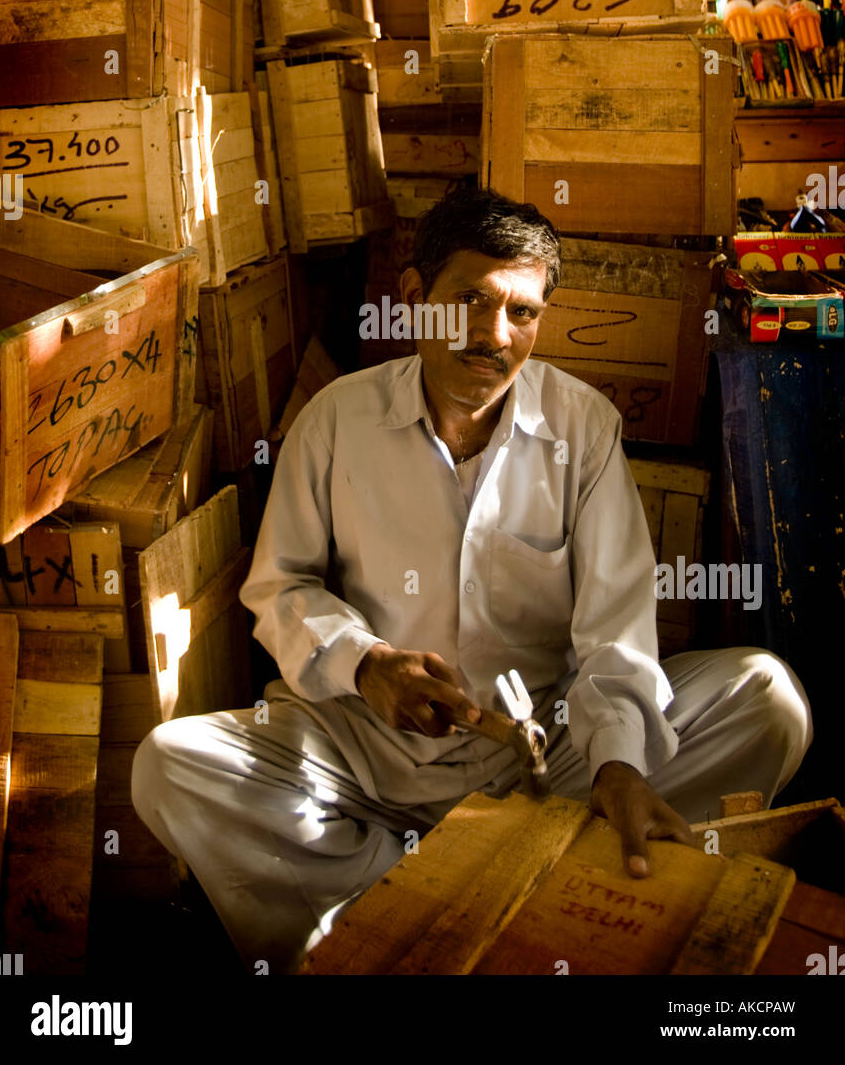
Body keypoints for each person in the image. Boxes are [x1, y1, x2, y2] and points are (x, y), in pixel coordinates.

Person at [132, 187, 813, 973]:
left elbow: (616, 631)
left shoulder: (582, 428)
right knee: (170, 765)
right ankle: (420, 905)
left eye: (522, 312)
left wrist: (617, 765)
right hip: (362, 747)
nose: (494, 335)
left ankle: (441, 890)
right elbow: (279, 587)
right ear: (416, 299)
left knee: (768, 698)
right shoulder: (336, 421)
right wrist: (365, 662)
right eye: (471, 301)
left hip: (539, 751)